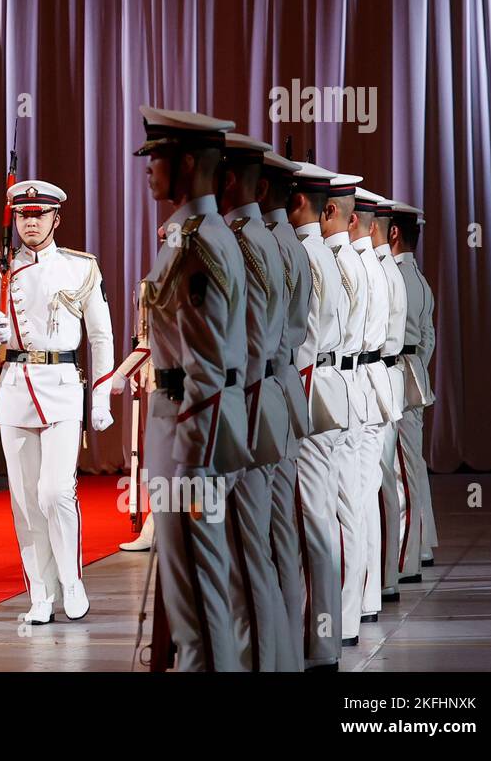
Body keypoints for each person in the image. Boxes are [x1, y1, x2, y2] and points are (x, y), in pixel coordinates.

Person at [130, 108, 246, 671]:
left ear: (191, 164)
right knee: (195, 594)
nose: (150, 168)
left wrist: (191, 465)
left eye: (159, 157)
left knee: (196, 596)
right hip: (178, 427)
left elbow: (206, 364)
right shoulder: (190, 235)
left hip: (186, 435)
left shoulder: (198, 243)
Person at [0, 179, 114, 625]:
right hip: (16, 386)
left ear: (57, 218)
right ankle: (40, 590)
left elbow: (100, 336)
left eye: (39, 214)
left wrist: (101, 396)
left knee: (56, 492)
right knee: (24, 500)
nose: (30, 222)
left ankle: (72, 581)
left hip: (60, 386)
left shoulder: (80, 268)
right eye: (23, 215)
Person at [218, 133, 294, 671]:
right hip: (270, 395)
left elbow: (244, 340)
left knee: (246, 558)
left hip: (245, 402)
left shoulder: (244, 239)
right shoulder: (274, 237)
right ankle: (282, 657)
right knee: (268, 546)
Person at [285, 161, 349, 671]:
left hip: (306, 392)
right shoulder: (322, 252)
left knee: (311, 522)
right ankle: (320, 636)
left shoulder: (305, 255)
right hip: (324, 386)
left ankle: (319, 640)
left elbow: (301, 340)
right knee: (318, 518)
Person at [257, 150, 312, 671]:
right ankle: (288, 652)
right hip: (280, 388)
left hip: (256, 396)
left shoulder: (263, 244)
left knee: (259, 544)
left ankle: (274, 655)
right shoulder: (290, 243)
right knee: (280, 536)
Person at [320, 171, 369, 647]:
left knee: (339, 509)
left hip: (339, 382)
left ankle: (344, 618)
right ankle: (348, 617)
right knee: (346, 507)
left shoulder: (342, 262)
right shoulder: (348, 259)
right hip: (347, 383)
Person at [350, 187, 398, 625]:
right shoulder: (376, 266)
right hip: (369, 383)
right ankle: (365, 600)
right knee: (362, 500)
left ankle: (355, 606)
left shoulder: (360, 266)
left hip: (357, 384)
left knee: (353, 501)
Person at [385, 201, 437, 577]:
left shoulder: (395, 277)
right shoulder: (419, 279)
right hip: (413, 372)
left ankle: (408, 557)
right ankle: (420, 545)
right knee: (412, 466)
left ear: (393, 234)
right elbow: (429, 338)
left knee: (403, 470)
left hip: (400, 376)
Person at [367, 194, 408, 605]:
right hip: (383, 375)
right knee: (382, 484)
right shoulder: (385, 269)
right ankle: (385, 577)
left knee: (380, 485)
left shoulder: (380, 270)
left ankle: (385, 576)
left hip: (379, 374)